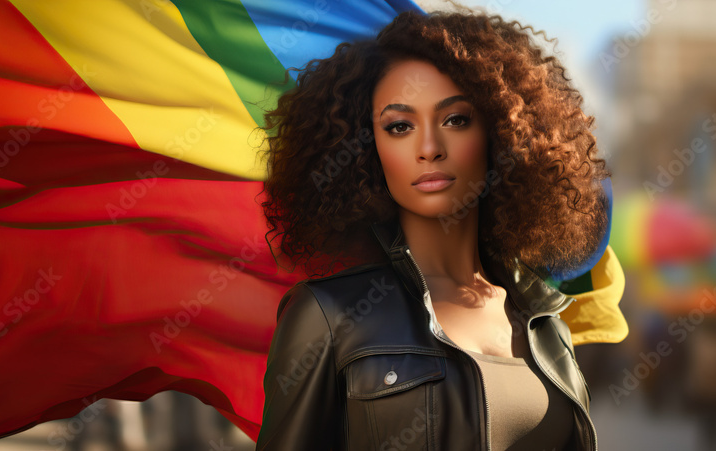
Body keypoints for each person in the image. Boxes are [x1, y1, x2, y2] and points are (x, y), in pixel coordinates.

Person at [256, 8, 611, 450]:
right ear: (368, 148)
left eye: (456, 119)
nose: (428, 148)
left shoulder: (547, 323)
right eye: (399, 126)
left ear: (502, 132)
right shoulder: (328, 317)